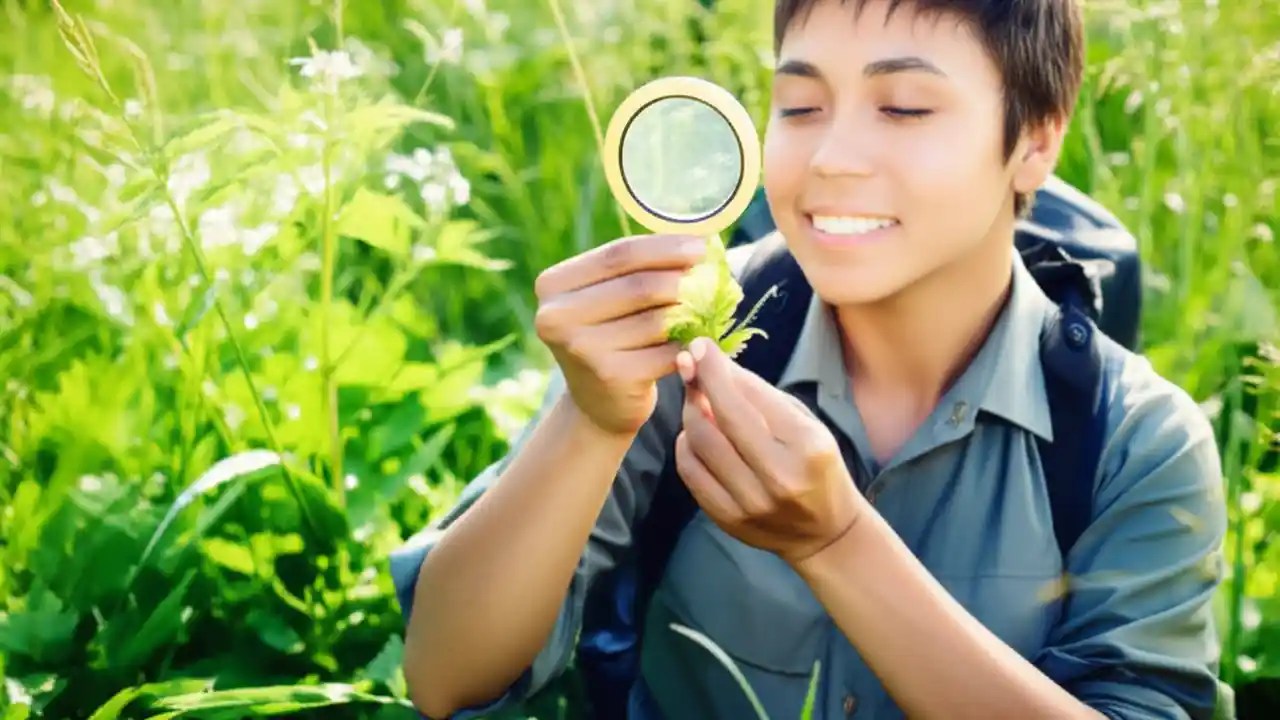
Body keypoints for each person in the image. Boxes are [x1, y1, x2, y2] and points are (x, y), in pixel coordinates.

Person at [391, 1, 1229, 718]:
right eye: (799, 105)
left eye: (903, 108)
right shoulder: (682, 346)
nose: (831, 157)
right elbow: (445, 679)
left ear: (1036, 142)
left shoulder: (1136, 443)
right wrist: (591, 418)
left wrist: (836, 544)